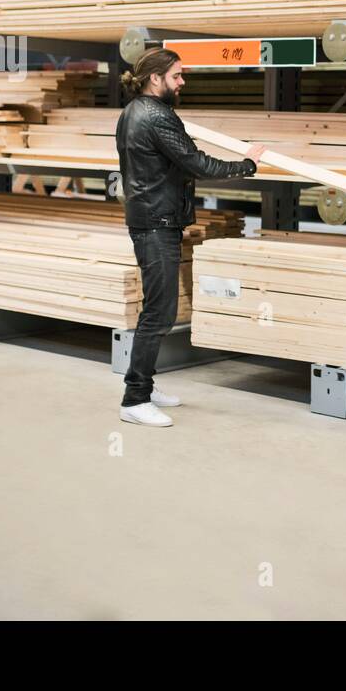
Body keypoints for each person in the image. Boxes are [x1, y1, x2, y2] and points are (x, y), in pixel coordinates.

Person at [115, 48, 266, 428]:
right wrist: (247, 164)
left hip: (151, 217)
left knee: (158, 308)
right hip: (155, 222)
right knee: (159, 311)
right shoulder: (157, 116)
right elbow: (196, 163)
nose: (183, 82)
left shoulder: (133, 111)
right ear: (156, 78)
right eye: (177, 76)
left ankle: (144, 387)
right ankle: (134, 399)